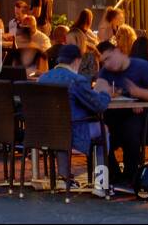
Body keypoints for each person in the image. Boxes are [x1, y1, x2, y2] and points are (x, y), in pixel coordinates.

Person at [97, 39, 148, 188]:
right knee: (100, 127)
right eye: (103, 62)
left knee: (130, 127)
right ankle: (113, 173)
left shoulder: (141, 67)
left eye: (109, 58)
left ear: (117, 51)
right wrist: (108, 91)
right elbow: (99, 88)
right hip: (120, 113)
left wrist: (138, 93)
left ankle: (131, 174)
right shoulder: (106, 71)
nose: (107, 64)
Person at [38, 44, 111, 187]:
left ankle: (64, 177)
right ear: (77, 61)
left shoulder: (43, 79)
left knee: (61, 125)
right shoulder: (76, 80)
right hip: (73, 132)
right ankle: (101, 182)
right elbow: (99, 105)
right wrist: (106, 93)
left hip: (48, 132)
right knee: (103, 130)